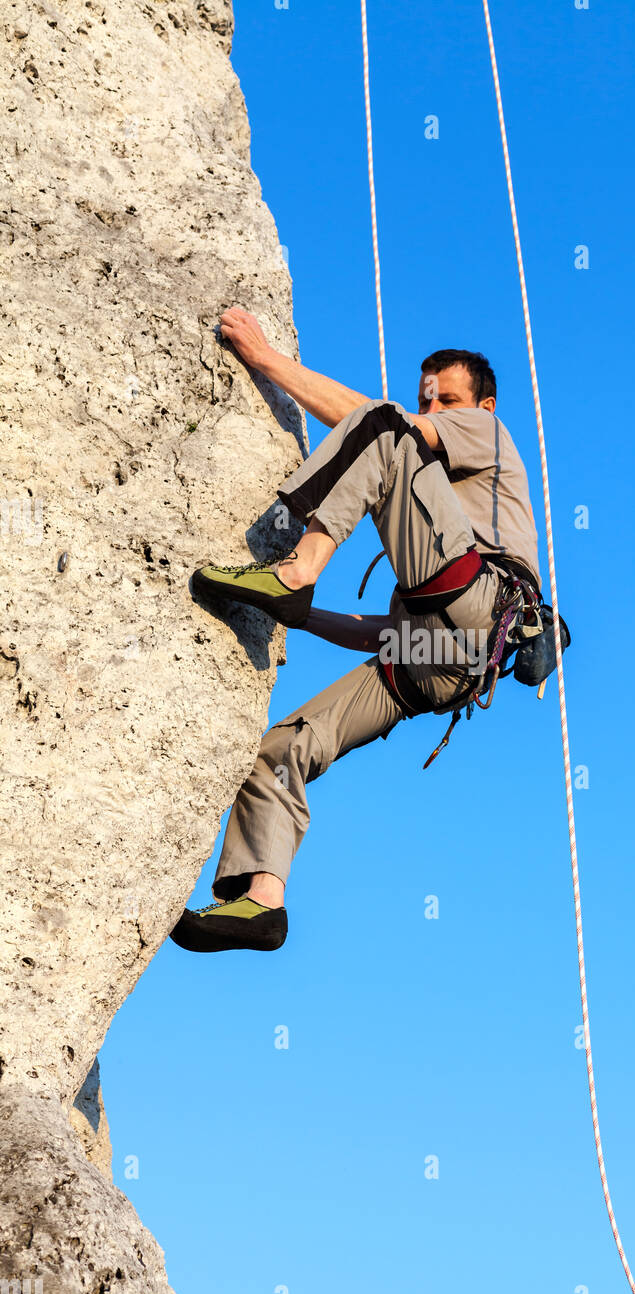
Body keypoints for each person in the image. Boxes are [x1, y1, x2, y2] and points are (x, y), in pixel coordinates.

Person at [171, 306, 542, 953]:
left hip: (482, 605)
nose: (434, 407)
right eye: (429, 396)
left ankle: (297, 570)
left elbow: (381, 426)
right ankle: (262, 902)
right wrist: (298, 620)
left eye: (447, 399)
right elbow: (385, 634)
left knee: (386, 427)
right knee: (282, 749)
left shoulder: (488, 438)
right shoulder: (428, 517)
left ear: (482, 407)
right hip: (433, 655)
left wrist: (265, 360)